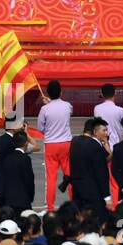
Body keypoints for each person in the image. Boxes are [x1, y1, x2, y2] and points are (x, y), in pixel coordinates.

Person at [33, 80, 73, 210]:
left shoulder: (44, 109)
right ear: (61, 92)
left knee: (51, 177)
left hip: (51, 144)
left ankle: (50, 207)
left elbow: (40, 127)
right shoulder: (67, 105)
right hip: (66, 143)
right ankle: (74, 202)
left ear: (48, 93)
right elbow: (64, 112)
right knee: (70, 175)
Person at [68, 117, 112, 220]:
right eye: (104, 130)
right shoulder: (94, 145)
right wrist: (107, 197)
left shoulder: (75, 141)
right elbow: (102, 173)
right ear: (95, 131)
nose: (106, 133)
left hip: (77, 190)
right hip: (93, 194)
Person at [0, 130, 36, 212]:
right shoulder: (25, 159)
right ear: (26, 143)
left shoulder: (7, 158)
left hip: (8, 199)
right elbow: (29, 179)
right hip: (22, 200)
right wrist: (30, 197)